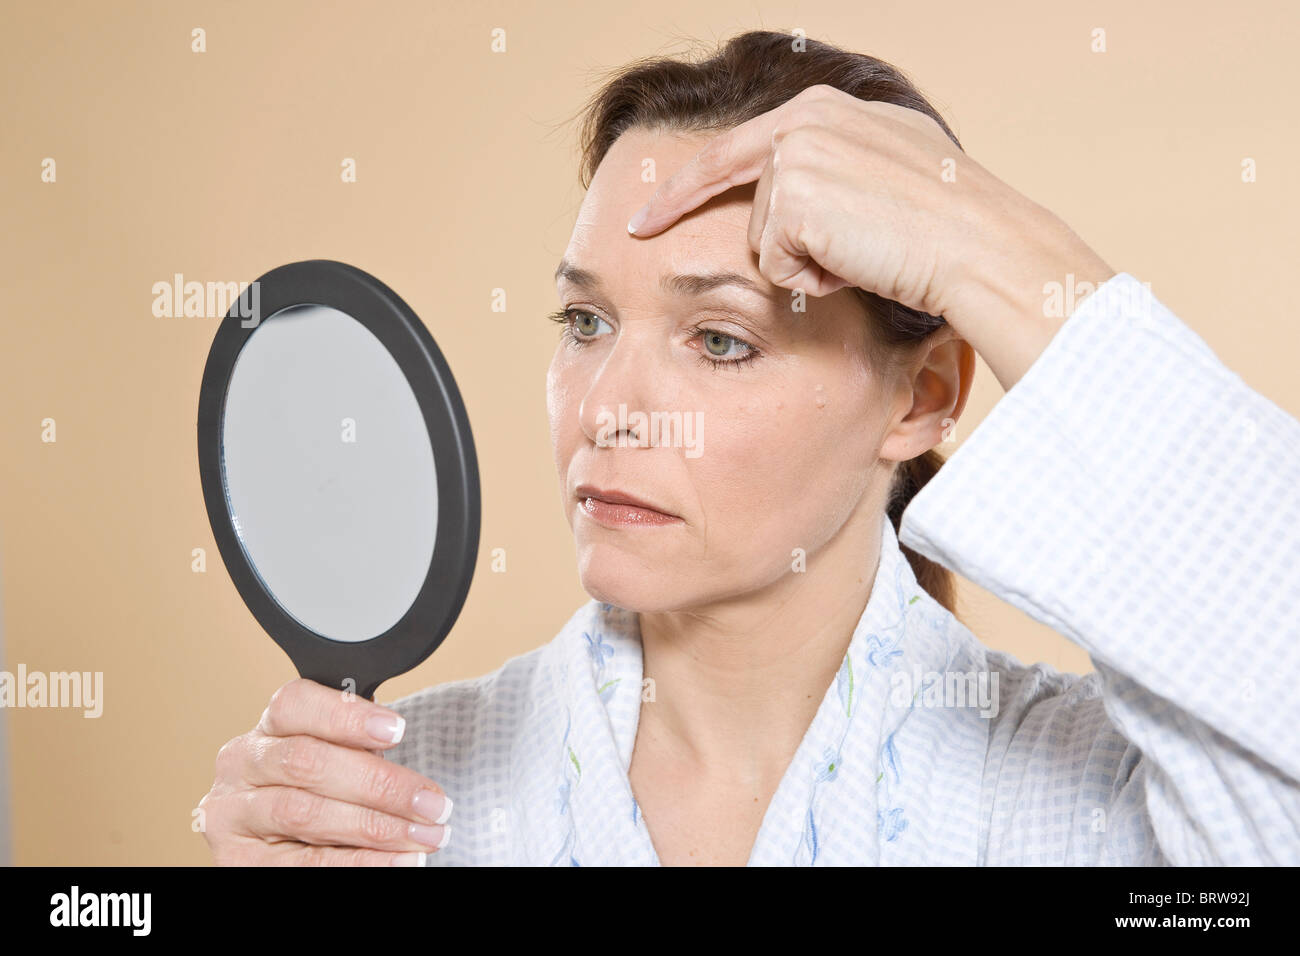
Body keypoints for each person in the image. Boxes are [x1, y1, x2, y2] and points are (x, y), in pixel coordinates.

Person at [198, 30, 1300, 866]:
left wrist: (987, 240)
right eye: (584, 323)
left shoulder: (1102, 801)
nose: (610, 410)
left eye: (719, 338)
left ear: (920, 397)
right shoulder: (397, 802)